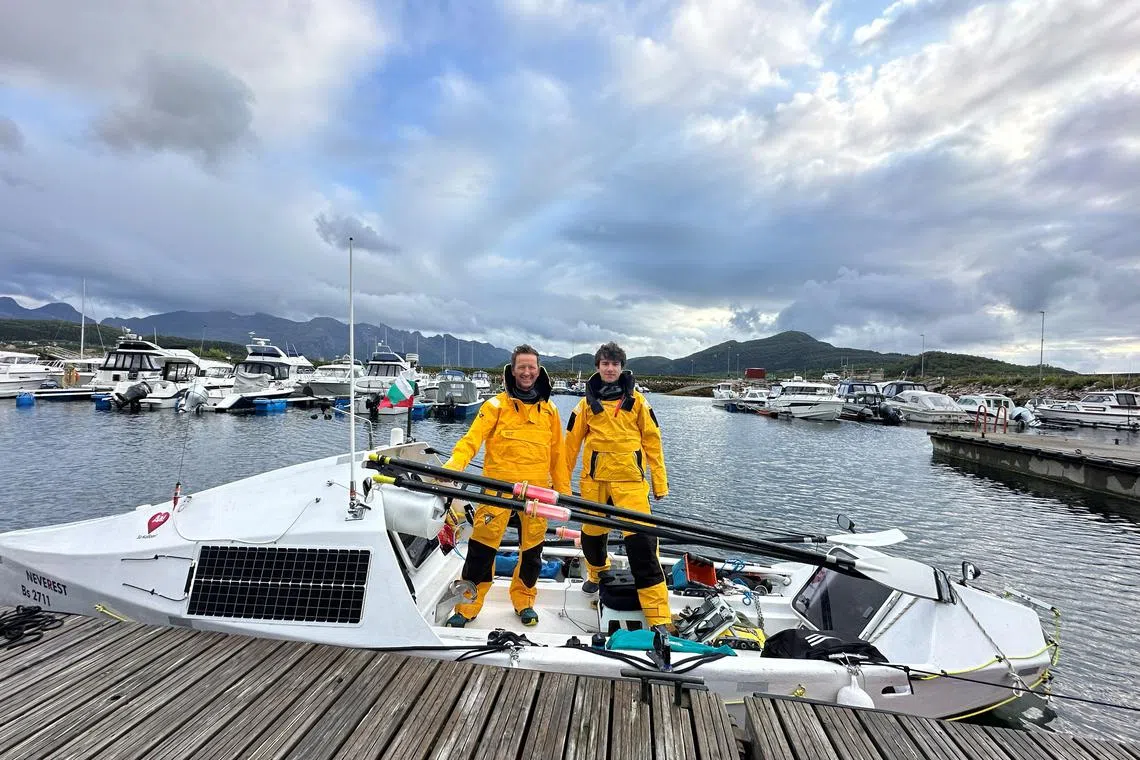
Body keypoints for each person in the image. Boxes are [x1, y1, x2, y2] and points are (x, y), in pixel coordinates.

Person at [443, 344, 568, 628]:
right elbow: (470, 441)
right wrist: (454, 467)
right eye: (521, 367)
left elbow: (558, 457)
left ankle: (524, 601)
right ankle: (467, 606)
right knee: (481, 553)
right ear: (512, 370)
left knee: (532, 553)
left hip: (537, 494)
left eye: (531, 367)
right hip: (497, 491)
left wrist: (564, 493)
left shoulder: (550, 411)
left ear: (539, 371)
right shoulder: (495, 406)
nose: (526, 372)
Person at [560, 341, 671, 630]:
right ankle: (597, 573)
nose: (610, 369)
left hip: (631, 484)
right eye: (605, 364)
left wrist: (660, 483)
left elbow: (653, 443)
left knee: (644, 548)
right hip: (594, 483)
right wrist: (561, 484)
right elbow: (569, 447)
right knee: (592, 537)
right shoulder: (584, 405)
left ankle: (659, 616)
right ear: (597, 367)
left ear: (622, 367)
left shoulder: (639, 403)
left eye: (615, 364)